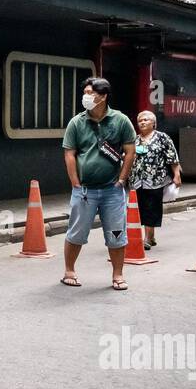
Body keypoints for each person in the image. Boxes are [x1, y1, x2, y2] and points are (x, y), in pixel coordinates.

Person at [61, 77, 136, 290]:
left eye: (90, 93)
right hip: (84, 190)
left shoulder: (120, 120)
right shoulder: (76, 122)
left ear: (102, 97)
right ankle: (69, 270)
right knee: (76, 232)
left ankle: (118, 274)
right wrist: (75, 182)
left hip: (112, 190)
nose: (85, 97)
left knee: (116, 233)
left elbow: (130, 151)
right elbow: (69, 153)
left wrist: (122, 179)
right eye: (84, 92)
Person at [129, 110, 182, 249]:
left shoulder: (162, 137)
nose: (142, 122)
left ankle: (147, 238)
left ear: (153, 123)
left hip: (156, 179)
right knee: (141, 208)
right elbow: (129, 157)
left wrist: (176, 174)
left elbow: (172, 157)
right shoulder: (135, 139)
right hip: (137, 180)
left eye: (145, 120)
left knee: (152, 207)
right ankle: (151, 236)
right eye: (140, 120)